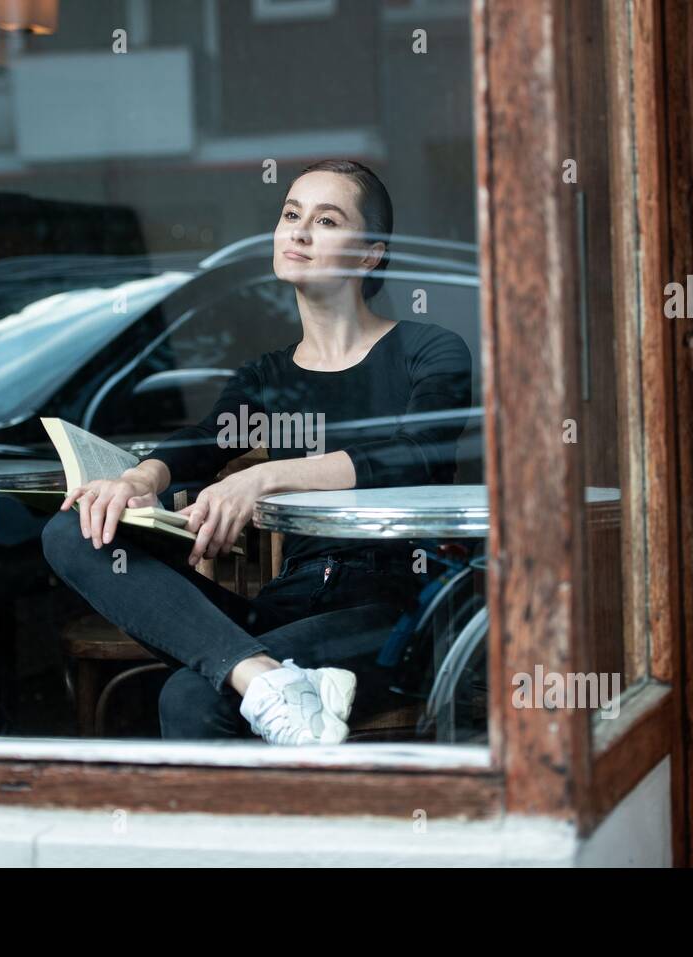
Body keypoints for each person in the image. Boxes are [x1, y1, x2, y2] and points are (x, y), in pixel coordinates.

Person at [43, 158, 473, 744]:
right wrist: (140, 480)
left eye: (325, 221)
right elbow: (204, 439)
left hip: (396, 607)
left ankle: (259, 699)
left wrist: (265, 478)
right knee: (73, 529)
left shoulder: (428, 349)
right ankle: (264, 679)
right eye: (290, 214)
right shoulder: (267, 375)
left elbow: (415, 454)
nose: (297, 232)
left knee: (194, 693)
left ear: (370, 254)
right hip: (291, 602)